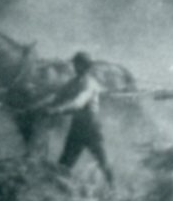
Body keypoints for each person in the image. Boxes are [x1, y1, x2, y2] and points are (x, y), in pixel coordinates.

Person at [26, 51, 112, 185]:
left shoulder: (90, 84)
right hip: (77, 127)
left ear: (85, 66)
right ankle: (60, 192)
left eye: (77, 64)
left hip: (91, 127)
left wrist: (56, 110)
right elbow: (56, 97)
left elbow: (78, 103)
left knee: (102, 161)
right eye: (75, 64)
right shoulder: (72, 83)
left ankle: (113, 190)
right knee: (64, 165)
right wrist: (35, 107)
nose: (74, 67)